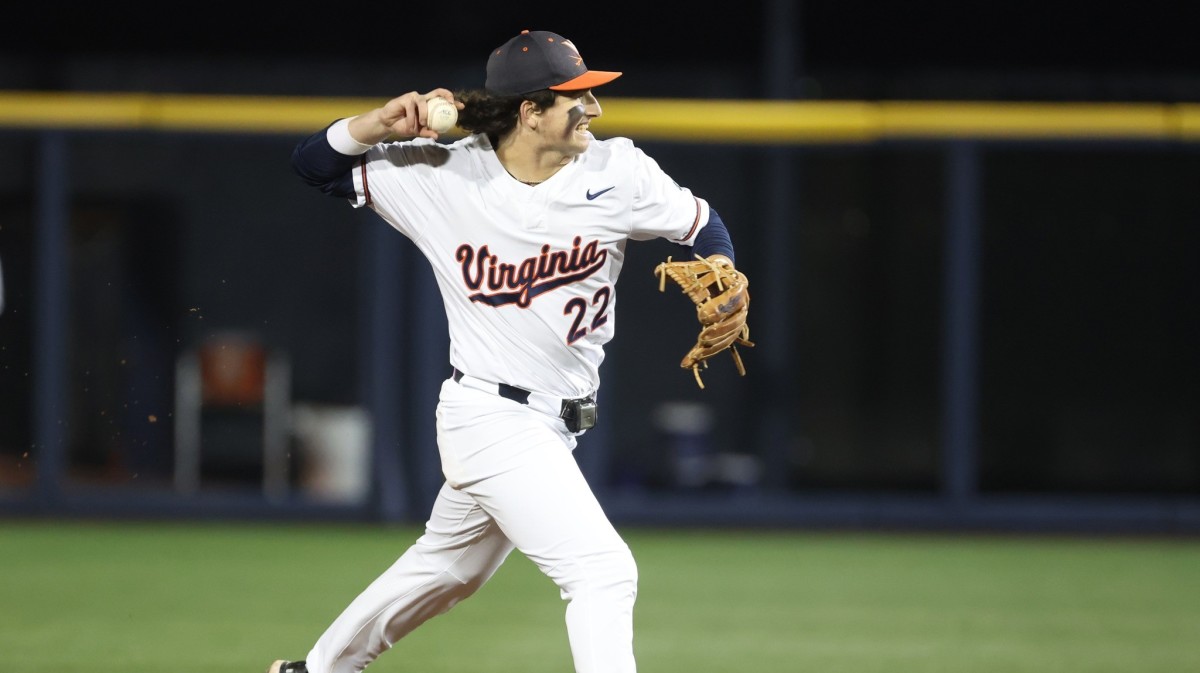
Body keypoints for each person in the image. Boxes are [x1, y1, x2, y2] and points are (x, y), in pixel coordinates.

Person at [275, 28, 747, 673]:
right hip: (491, 416)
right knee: (602, 571)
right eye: (576, 98)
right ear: (530, 110)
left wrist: (720, 269)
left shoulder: (619, 170)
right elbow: (313, 166)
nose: (596, 110)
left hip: (559, 423)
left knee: (448, 570)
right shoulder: (439, 170)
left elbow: (702, 223)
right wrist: (372, 123)